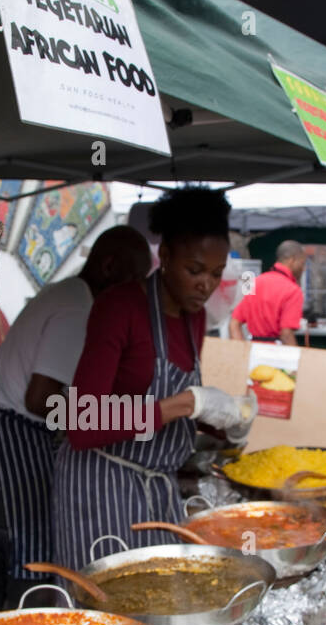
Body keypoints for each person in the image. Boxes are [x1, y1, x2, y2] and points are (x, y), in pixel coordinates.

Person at [52, 187, 254, 570]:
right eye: (193, 270)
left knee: (161, 600)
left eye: (215, 273)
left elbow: (182, 407)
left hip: (158, 487)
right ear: (164, 256)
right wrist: (185, 404)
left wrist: (227, 421)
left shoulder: (196, 316)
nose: (205, 285)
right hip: (102, 486)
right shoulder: (119, 308)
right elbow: (80, 421)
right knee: (105, 611)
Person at [0, 226, 152, 605]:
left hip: (14, 422)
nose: (136, 294)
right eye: (133, 280)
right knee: (34, 541)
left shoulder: (68, 292)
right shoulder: (79, 310)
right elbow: (40, 399)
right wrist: (100, 422)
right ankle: (29, 623)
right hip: (17, 430)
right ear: (109, 266)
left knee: (32, 538)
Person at [228, 240, 306, 345]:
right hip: (277, 354)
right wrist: (298, 359)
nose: (303, 268)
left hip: (254, 353)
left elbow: (234, 324)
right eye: (302, 263)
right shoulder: (293, 291)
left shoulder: (254, 282)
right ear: (292, 260)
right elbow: (286, 334)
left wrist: (242, 352)